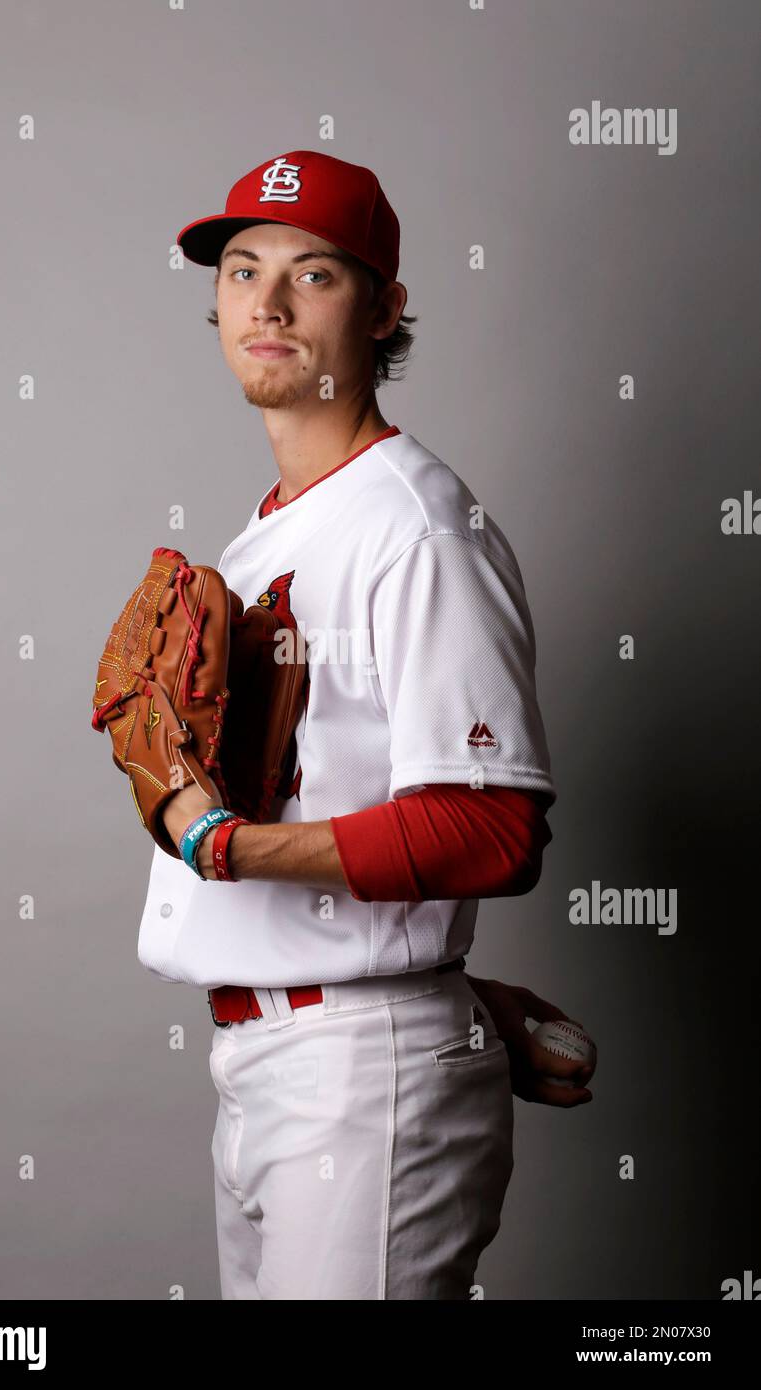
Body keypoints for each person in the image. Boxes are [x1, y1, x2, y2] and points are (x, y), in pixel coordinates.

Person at [137, 150, 594, 1300]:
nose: (268, 304)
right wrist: (440, 988)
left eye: (314, 274)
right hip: (277, 1060)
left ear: (385, 307)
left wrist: (220, 844)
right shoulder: (266, 536)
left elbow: (492, 832)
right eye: (242, 272)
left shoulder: (419, 525)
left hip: (357, 1075)